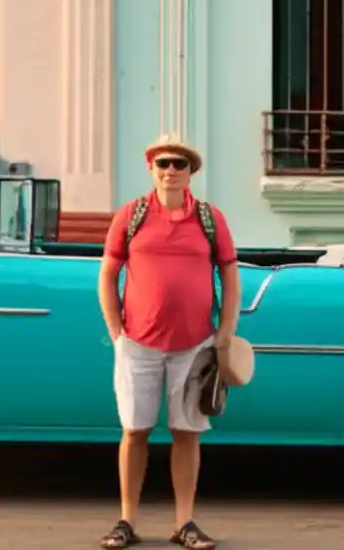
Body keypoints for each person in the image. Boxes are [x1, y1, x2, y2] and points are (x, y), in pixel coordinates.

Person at [97, 134, 240, 550]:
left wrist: (225, 334)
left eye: (179, 163)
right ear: (151, 168)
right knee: (134, 431)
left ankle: (185, 523)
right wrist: (116, 331)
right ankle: (126, 521)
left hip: (195, 344)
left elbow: (230, 275)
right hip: (138, 343)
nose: (171, 170)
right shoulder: (132, 215)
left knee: (186, 432)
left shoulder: (210, 219)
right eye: (163, 163)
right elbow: (107, 273)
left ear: (191, 171)